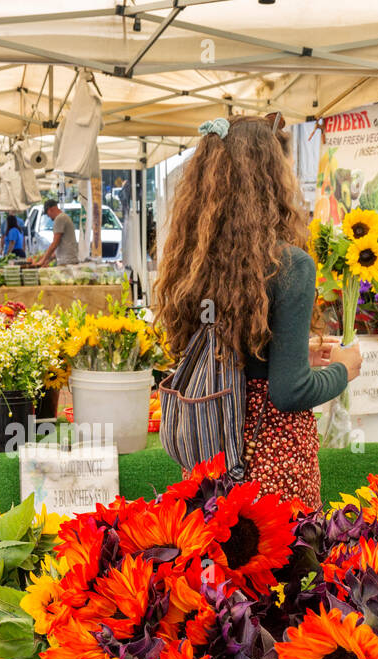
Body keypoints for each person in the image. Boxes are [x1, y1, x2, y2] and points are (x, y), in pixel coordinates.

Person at [155, 116, 361, 509]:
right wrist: (343, 369)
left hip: (214, 457)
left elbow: (233, 357)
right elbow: (289, 392)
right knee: (282, 567)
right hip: (271, 464)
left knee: (218, 564)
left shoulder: (191, 262)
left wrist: (298, 354)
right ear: (273, 177)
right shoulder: (290, 265)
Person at [30, 199, 78, 267]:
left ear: (50, 209)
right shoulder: (64, 217)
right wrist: (48, 259)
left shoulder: (59, 218)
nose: (48, 216)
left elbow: (55, 243)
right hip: (69, 259)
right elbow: (60, 244)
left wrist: (42, 261)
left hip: (66, 261)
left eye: (47, 213)